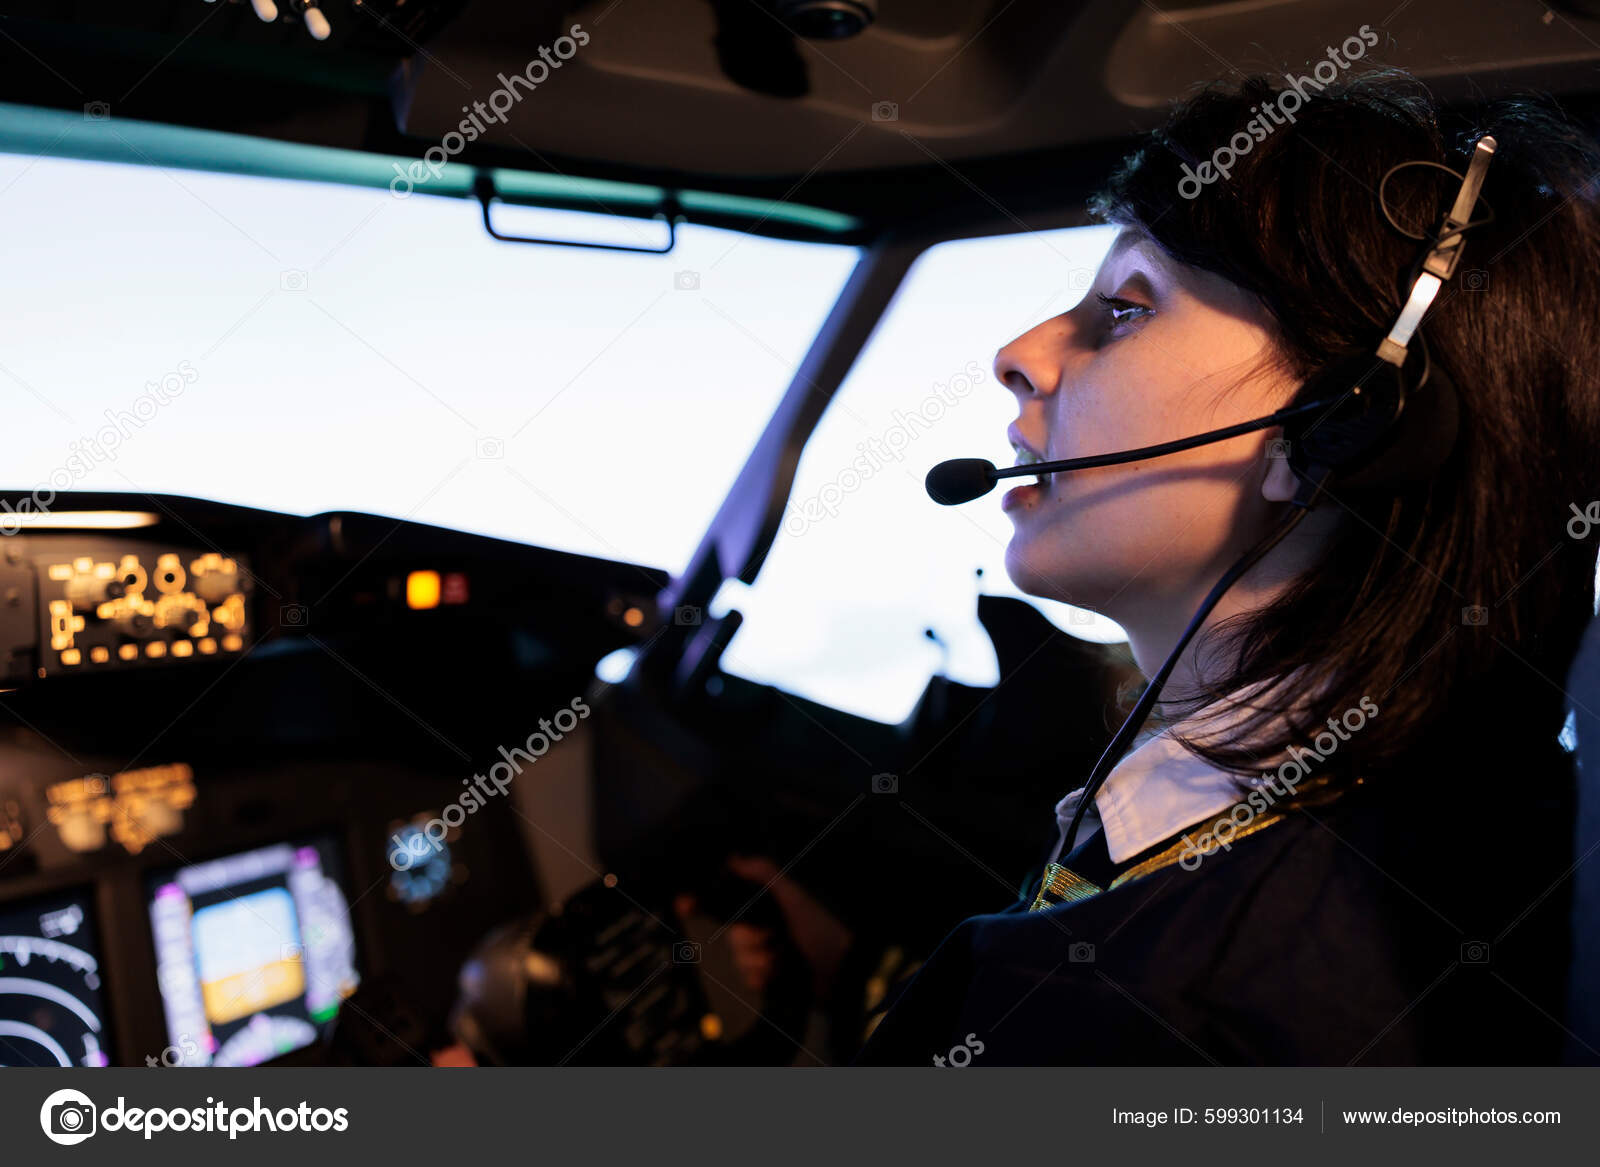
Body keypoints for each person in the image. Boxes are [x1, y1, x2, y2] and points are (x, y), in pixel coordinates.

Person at [852, 71, 1600, 1065]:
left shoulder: (1129, 1006)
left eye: (1126, 309)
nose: (1019, 353)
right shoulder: (1510, 823)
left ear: (1343, 425)